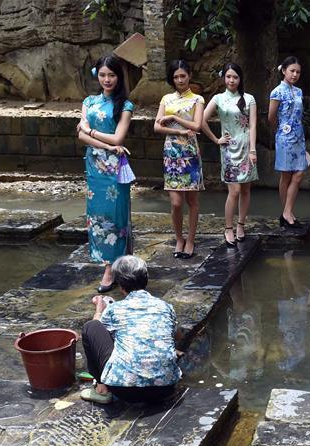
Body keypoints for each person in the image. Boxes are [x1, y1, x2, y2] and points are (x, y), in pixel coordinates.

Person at [80, 255, 181, 404]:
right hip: (166, 388)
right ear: (146, 279)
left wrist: (99, 309)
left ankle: (102, 389)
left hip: (124, 391)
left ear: (121, 286)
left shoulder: (115, 309)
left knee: (90, 327)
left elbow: (97, 331)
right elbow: (177, 336)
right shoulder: (165, 306)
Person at [76, 54, 135, 293]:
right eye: (102, 75)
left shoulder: (126, 105)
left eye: (111, 75)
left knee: (117, 214)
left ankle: (112, 268)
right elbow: (80, 136)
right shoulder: (89, 102)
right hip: (94, 166)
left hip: (115, 168)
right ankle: (116, 263)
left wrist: (93, 133)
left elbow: (118, 137)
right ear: (96, 75)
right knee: (97, 215)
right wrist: (107, 145)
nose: (107, 79)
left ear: (119, 77)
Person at [203, 62, 258, 247]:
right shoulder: (218, 99)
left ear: (240, 79)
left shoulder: (249, 98)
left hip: (246, 148)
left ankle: (241, 224)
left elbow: (252, 125)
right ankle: (228, 227)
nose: (231, 80)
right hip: (228, 148)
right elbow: (202, 120)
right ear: (224, 78)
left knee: (245, 189)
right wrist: (216, 139)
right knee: (233, 191)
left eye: (235, 77)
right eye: (228, 77)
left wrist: (253, 150)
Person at [154, 59, 204, 259]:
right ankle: (179, 238)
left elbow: (198, 126)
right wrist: (180, 131)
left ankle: (190, 240)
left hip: (190, 153)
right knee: (175, 202)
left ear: (189, 76)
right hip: (171, 153)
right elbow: (157, 127)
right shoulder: (166, 99)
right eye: (176, 77)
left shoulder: (197, 99)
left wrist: (174, 119)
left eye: (183, 76)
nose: (180, 80)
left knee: (192, 200)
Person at [269, 56, 307, 229]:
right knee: (286, 175)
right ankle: (287, 213)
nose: (295, 74)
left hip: (299, 137)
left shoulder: (299, 92)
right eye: (292, 71)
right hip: (284, 138)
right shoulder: (277, 91)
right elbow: (271, 116)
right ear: (284, 70)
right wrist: (282, 130)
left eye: (298, 72)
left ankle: (287, 211)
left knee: (299, 174)